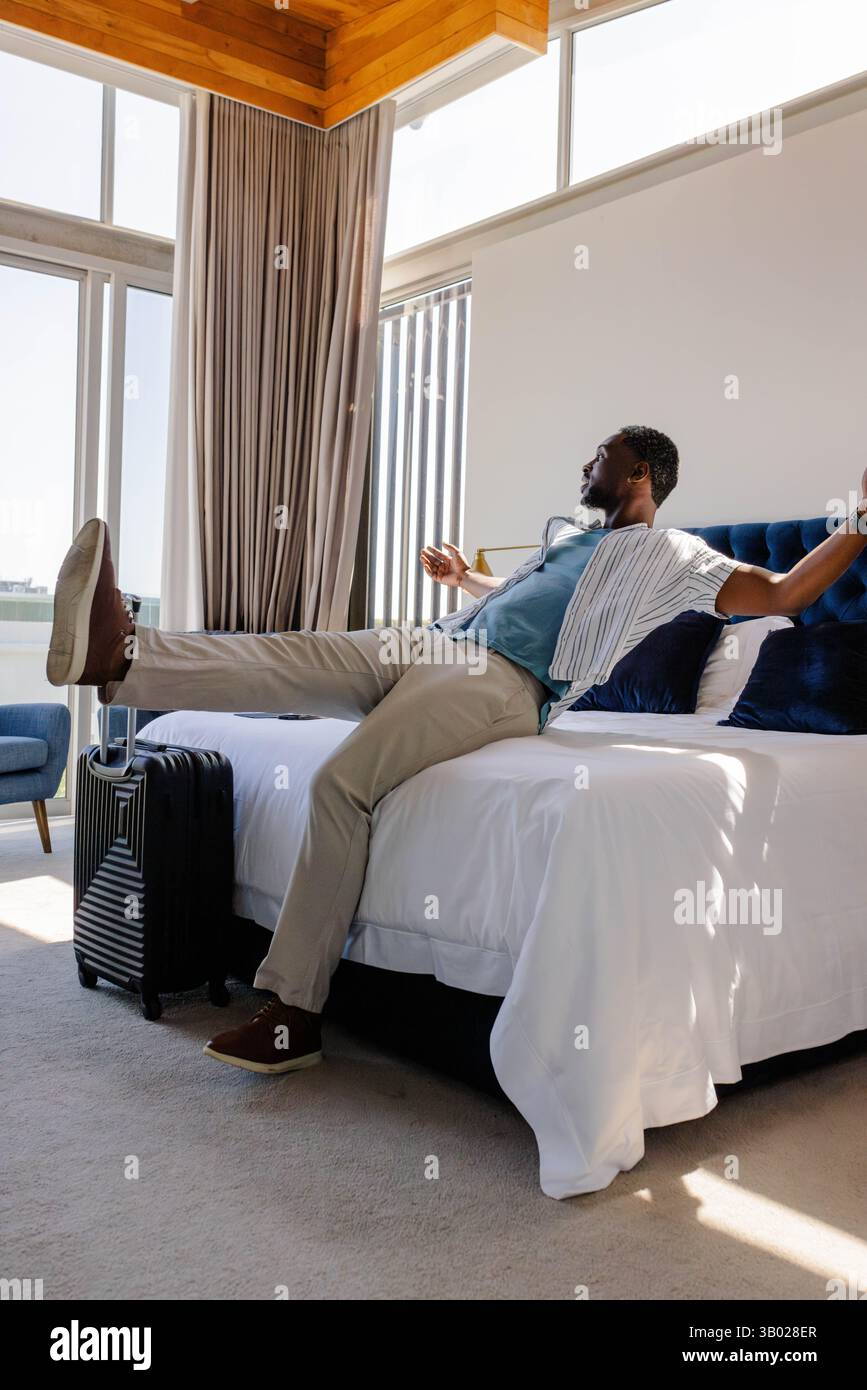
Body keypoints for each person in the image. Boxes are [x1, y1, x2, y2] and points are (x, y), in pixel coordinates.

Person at [47, 425, 867, 1073]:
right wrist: (463, 585)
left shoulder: (673, 556)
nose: (586, 462)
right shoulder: (568, 544)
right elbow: (530, 601)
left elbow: (786, 592)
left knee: (340, 783)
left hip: (500, 682)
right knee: (294, 655)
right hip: (442, 641)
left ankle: (294, 1012)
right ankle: (124, 654)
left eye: (602, 453)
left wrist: (857, 525)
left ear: (642, 472)